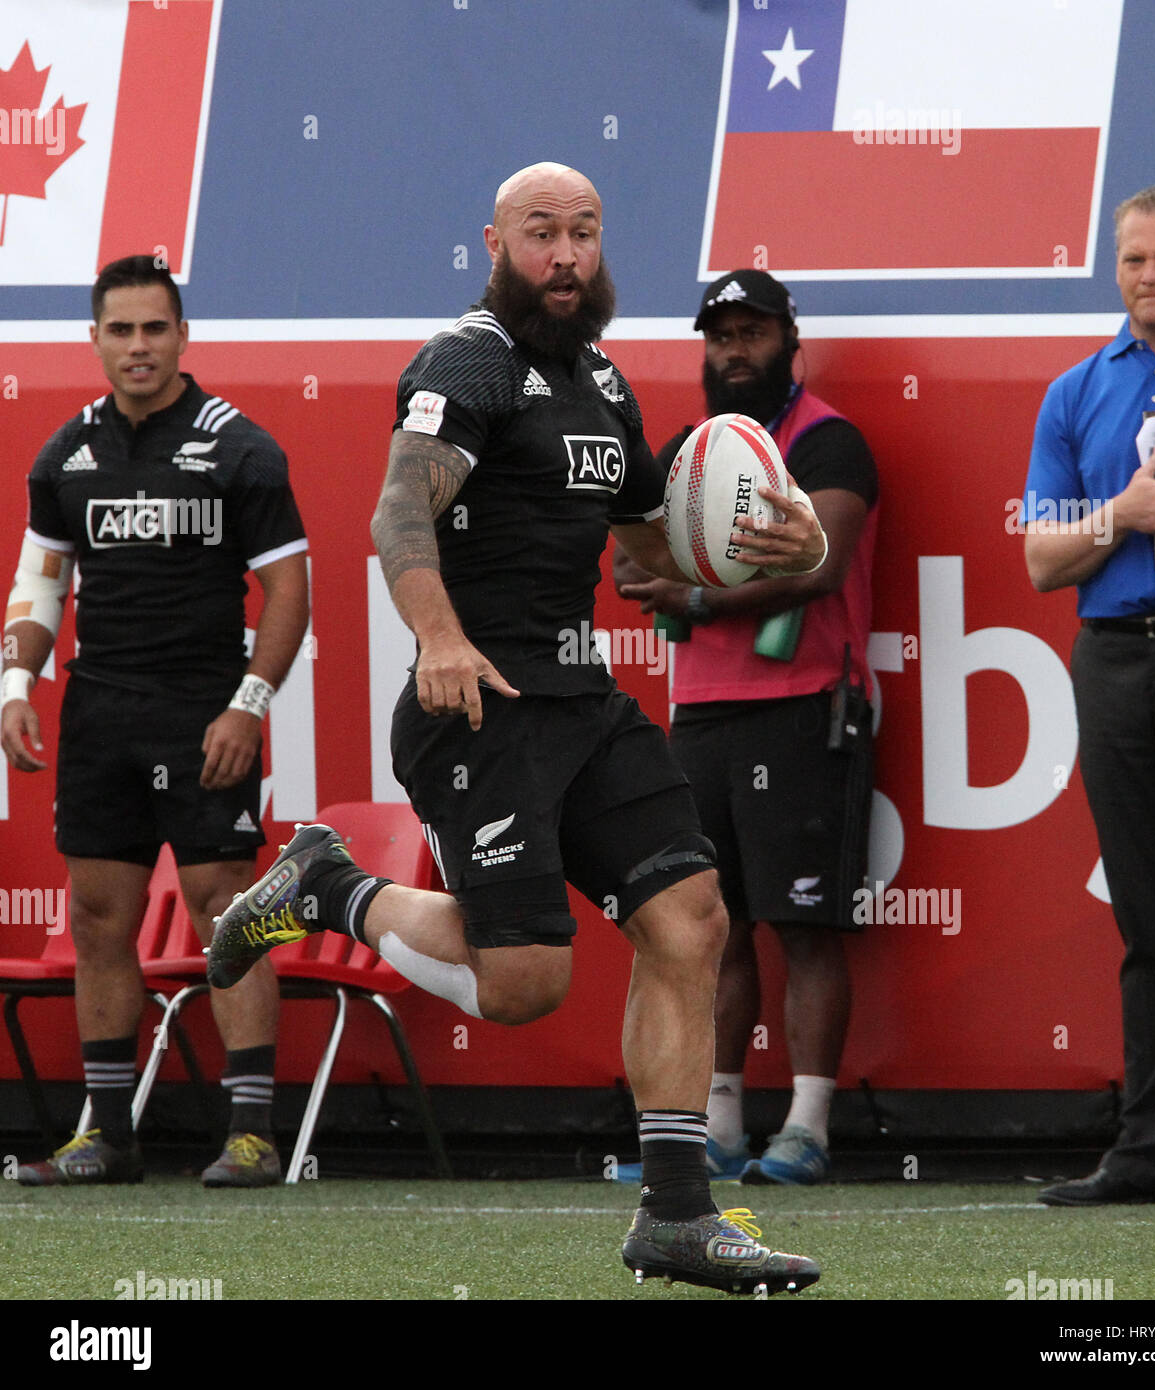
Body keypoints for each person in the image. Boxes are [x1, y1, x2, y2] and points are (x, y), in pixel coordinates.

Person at [208, 163, 823, 1293]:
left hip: (582, 699)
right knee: (524, 984)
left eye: (584, 233)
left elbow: (646, 543)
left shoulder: (602, 376)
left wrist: (784, 550)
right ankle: (326, 887)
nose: (566, 255)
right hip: (476, 705)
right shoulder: (467, 359)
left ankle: (676, 1216)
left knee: (691, 918)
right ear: (493, 241)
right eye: (541, 233)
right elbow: (400, 506)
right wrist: (439, 640)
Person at [1, 255, 310, 1188]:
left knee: (231, 912)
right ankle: (107, 1134)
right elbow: (40, 584)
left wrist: (248, 707)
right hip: (101, 711)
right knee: (99, 918)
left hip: (203, 709)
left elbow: (288, 591)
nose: (138, 347)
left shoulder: (239, 447)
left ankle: (251, 1130)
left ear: (182, 336)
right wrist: (15, 684)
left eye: (154, 329)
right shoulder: (66, 454)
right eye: (120, 330)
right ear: (93, 339)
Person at [613, 269, 877, 1185]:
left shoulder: (830, 440)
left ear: (787, 339)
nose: (734, 350)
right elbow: (624, 560)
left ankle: (807, 1127)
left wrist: (693, 589)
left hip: (806, 709)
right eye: (719, 334)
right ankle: (713, 1126)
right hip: (701, 716)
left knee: (805, 927)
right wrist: (666, 569)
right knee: (705, 928)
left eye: (752, 333)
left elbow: (820, 565)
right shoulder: (686, 448)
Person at [1024, 186, 1155, 1205]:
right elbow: (1042, 560)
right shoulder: (1073, 392)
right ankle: (1151, 1157)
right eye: (1131, 260)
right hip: (1111, 660)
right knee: (1151, 916)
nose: (1146, 276)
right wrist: (1127, 511)